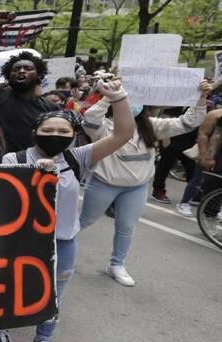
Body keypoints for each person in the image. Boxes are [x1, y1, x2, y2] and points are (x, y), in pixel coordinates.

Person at [0, 80, 136, 342]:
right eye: (48, 130)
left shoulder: (78, 157)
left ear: (73, 135)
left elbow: (123, 134)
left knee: (54, 292)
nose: (54, 135)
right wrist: (31, 174)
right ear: (35, 133)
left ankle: (44, 338)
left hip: (63, 241)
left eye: (63, 131)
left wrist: (118, 98)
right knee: (10, 286)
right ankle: (0, 329)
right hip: (19, 240)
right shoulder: (14, 158)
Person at [79, 80, 211, 286]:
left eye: (135, 99)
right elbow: (90, 118)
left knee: (126, 227)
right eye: (126, 98)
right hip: (104, 184)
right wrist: (109, 95)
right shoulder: (104, 127)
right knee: (83, 221)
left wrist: (201, 97)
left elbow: (187, 122)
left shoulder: (153, 126)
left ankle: (117, 264)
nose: (131, 103)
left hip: (137, 187)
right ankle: (53, 248)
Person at [0, 12, 59, 153]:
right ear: (8, 75)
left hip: (33, 168)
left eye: (28, 68)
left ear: (39, 75)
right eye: (16, 69)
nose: (21, 71)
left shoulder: (51, 108)